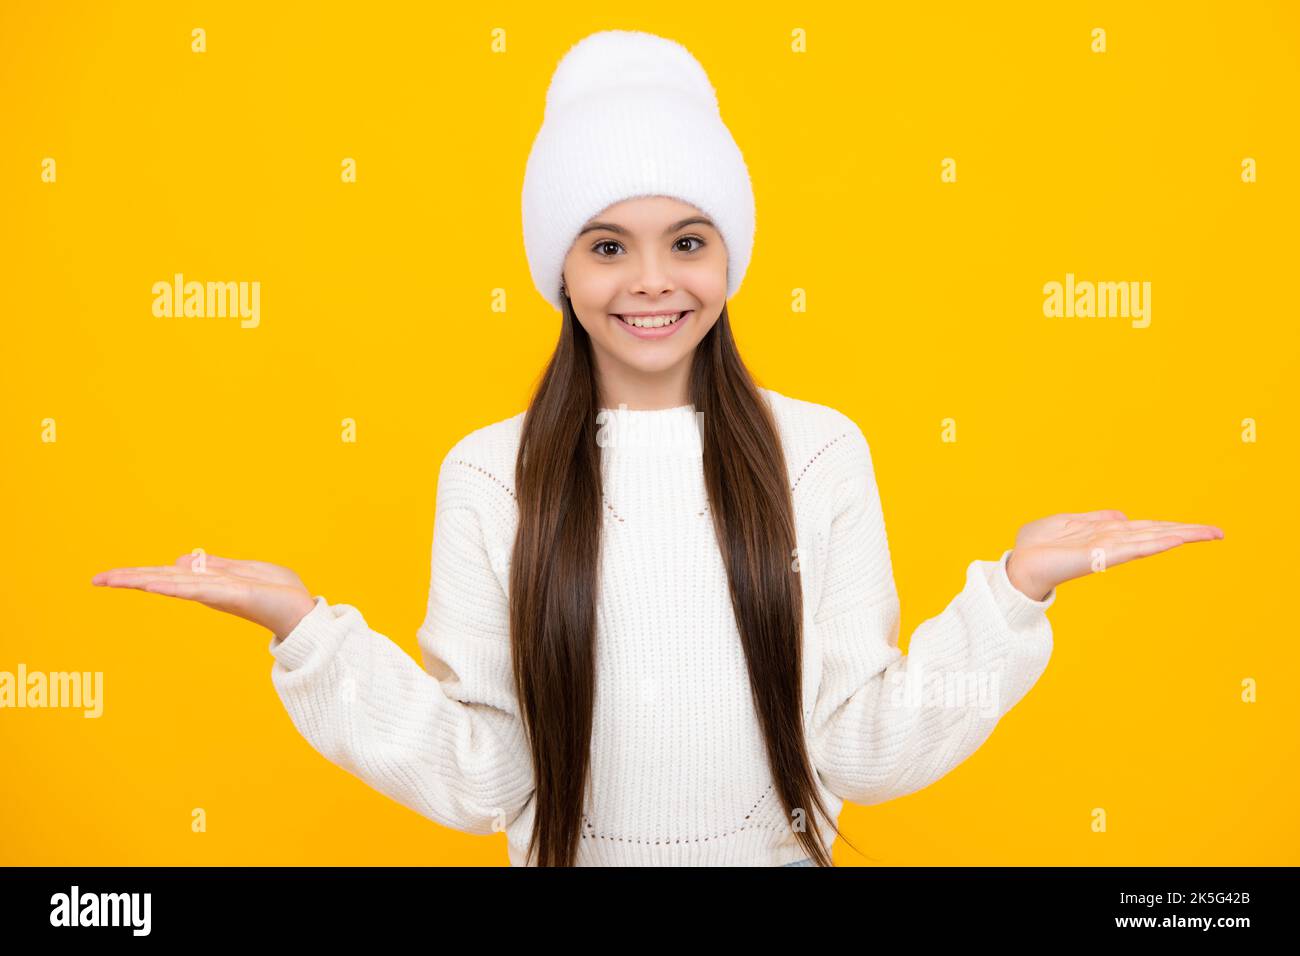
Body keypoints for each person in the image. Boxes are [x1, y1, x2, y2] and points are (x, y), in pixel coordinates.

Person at [91, 30, 1224, 867]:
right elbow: (482, 771)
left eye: (686, 239)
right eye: (606, 245)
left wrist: (1014, 596)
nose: (649, 281)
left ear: (726, 256)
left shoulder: (818, 452)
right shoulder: (490, 474)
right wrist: (307, 634)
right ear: (561, 269)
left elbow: (865, 747)